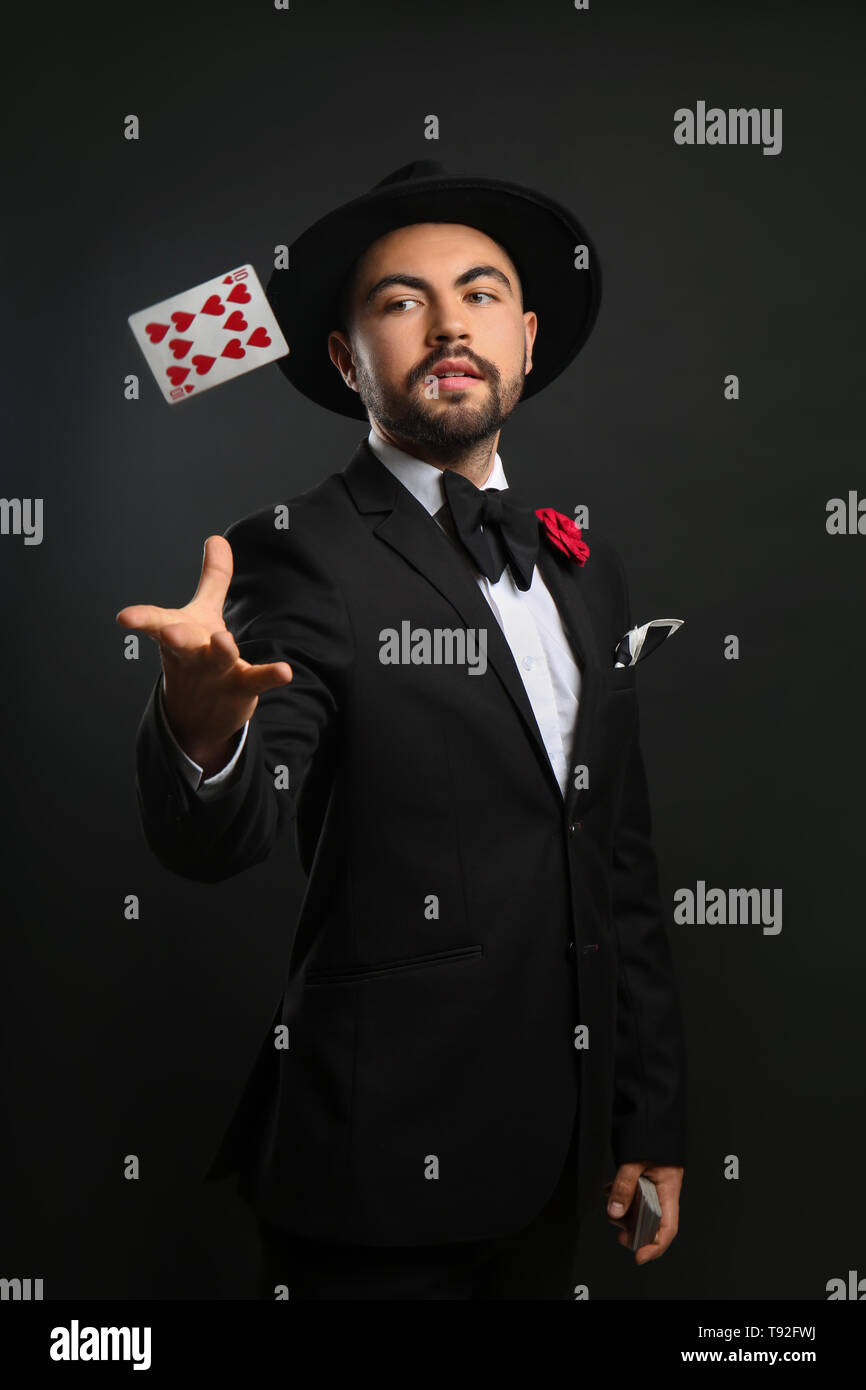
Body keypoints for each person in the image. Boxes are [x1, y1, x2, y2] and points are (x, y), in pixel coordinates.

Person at [117, 159, 688, 1300]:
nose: (446, 326)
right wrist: (201, 724)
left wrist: (648, 1115)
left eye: (478, 294)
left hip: (554, 1161)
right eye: (398, 301)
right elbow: (219, 836)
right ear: (343, 359)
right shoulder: (296, 553)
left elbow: (614, 860)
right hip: (374, 1173)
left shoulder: (583, 565)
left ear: (524, 338)